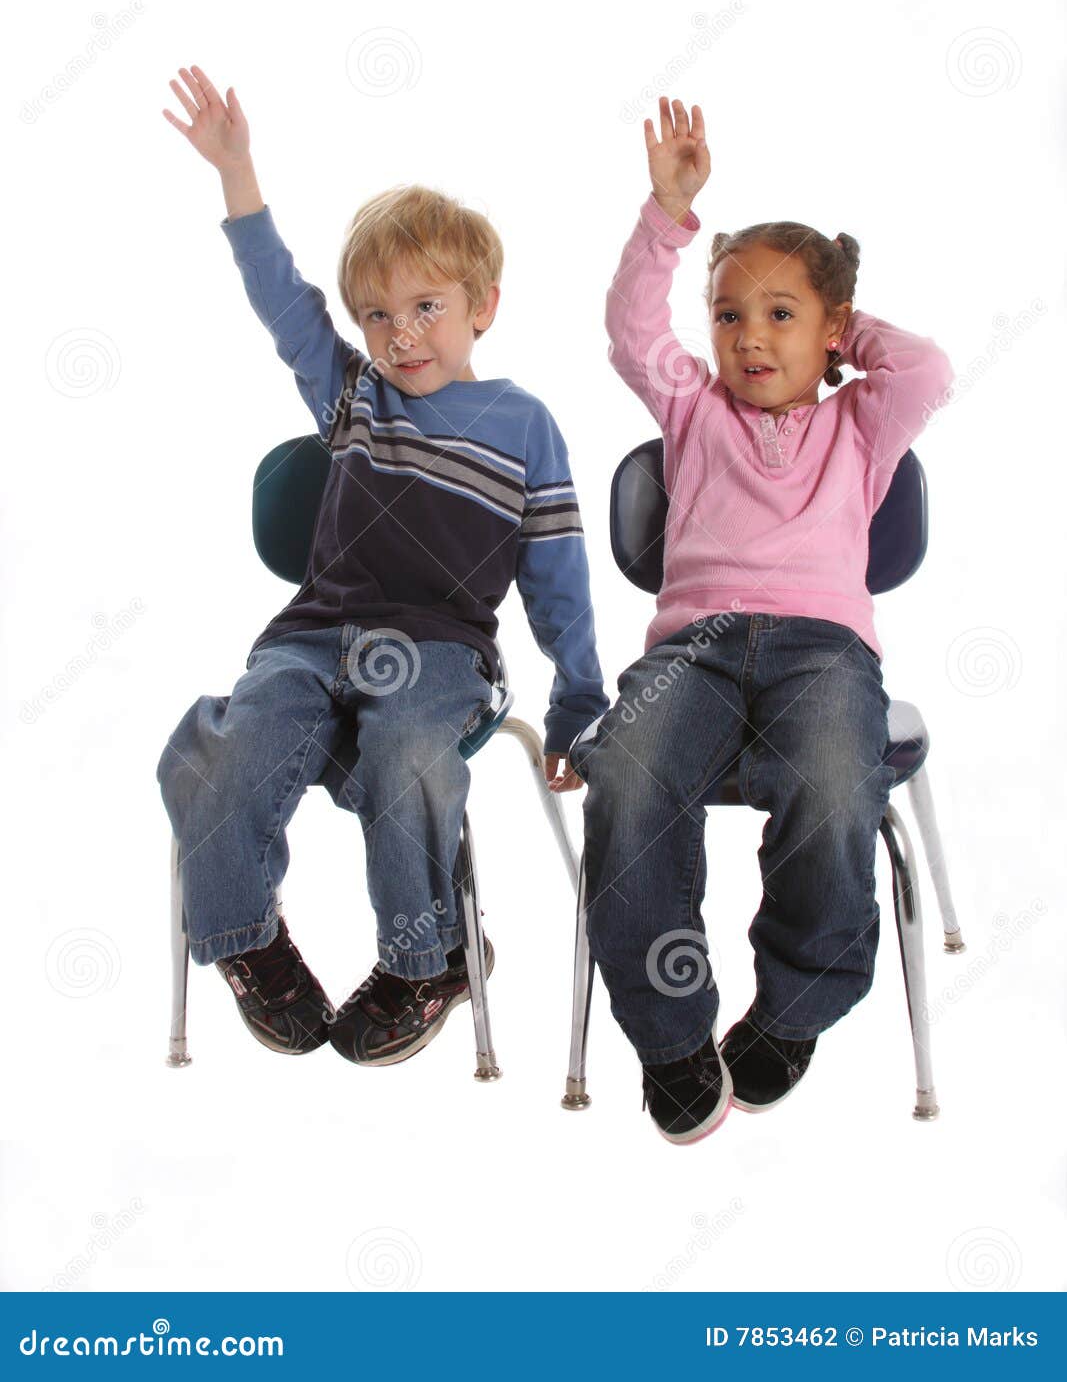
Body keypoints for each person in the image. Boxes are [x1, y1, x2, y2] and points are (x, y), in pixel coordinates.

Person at [156, 64, 608, 1065]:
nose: (401, 334)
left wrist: (579, 699)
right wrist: (239, 174)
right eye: (378, 315)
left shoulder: (523, 425)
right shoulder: (353, 397)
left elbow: (558, 577)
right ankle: (249, 941)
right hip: (312, 641)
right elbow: (281, 300)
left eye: (427, 307)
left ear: (482, 304)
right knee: (223, 752)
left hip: (439, 652)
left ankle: (427, 960)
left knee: (405, 751)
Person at [574, 95, 954, 1144]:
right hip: (692, 650)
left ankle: (793, 1006)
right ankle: (668, 1030)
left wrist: (837, 322)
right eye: (729, 314)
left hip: (820, 651)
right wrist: (668, 216)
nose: (748, 338)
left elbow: (922, 369)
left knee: (833, 780)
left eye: (778, 315)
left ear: (827, 334)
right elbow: (626, 329)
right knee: (625, 775)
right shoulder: (690, 409)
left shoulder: (857, 427)